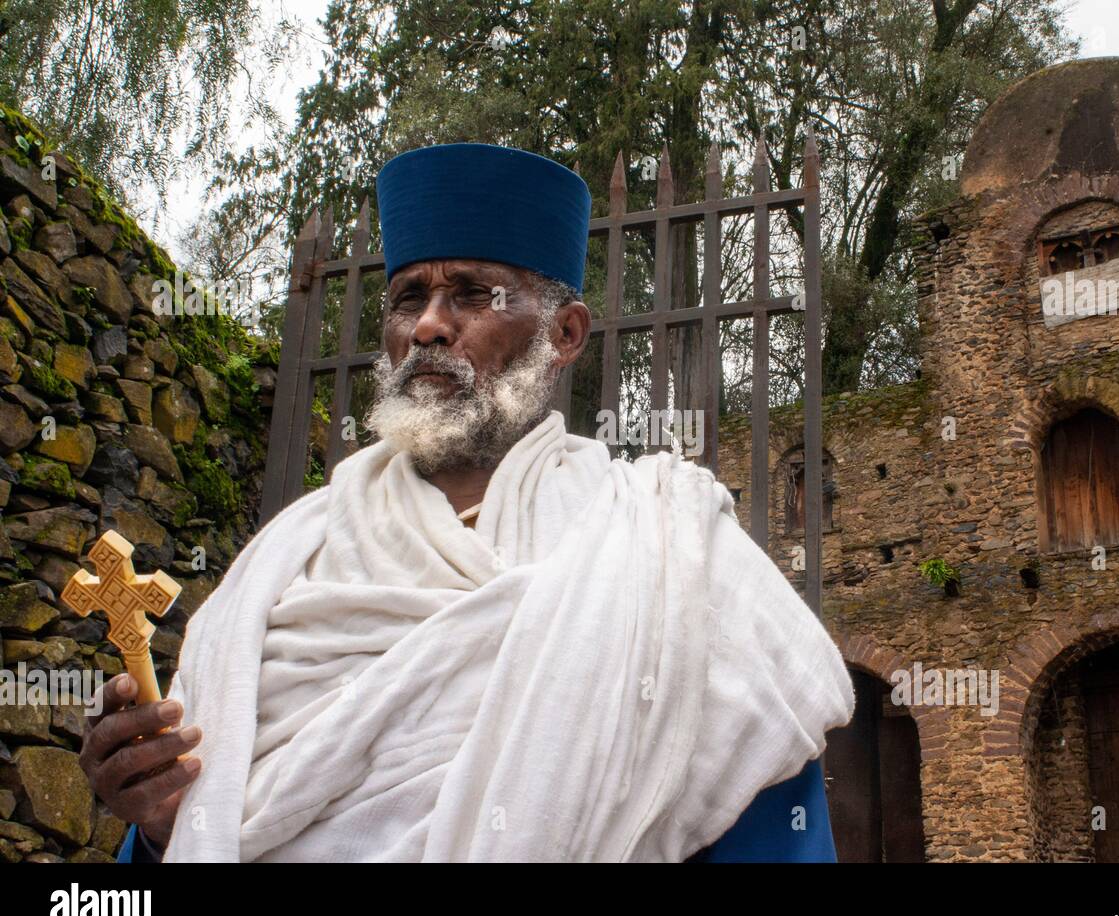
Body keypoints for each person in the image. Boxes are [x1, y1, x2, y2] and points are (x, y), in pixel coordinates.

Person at [82, 142, 854, 862]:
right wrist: (157, 825)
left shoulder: (667, 549)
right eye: (408, 298)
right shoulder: (286, 561)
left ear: (565, 334)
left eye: (473, 295)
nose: (427, 325)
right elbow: (194, 835)